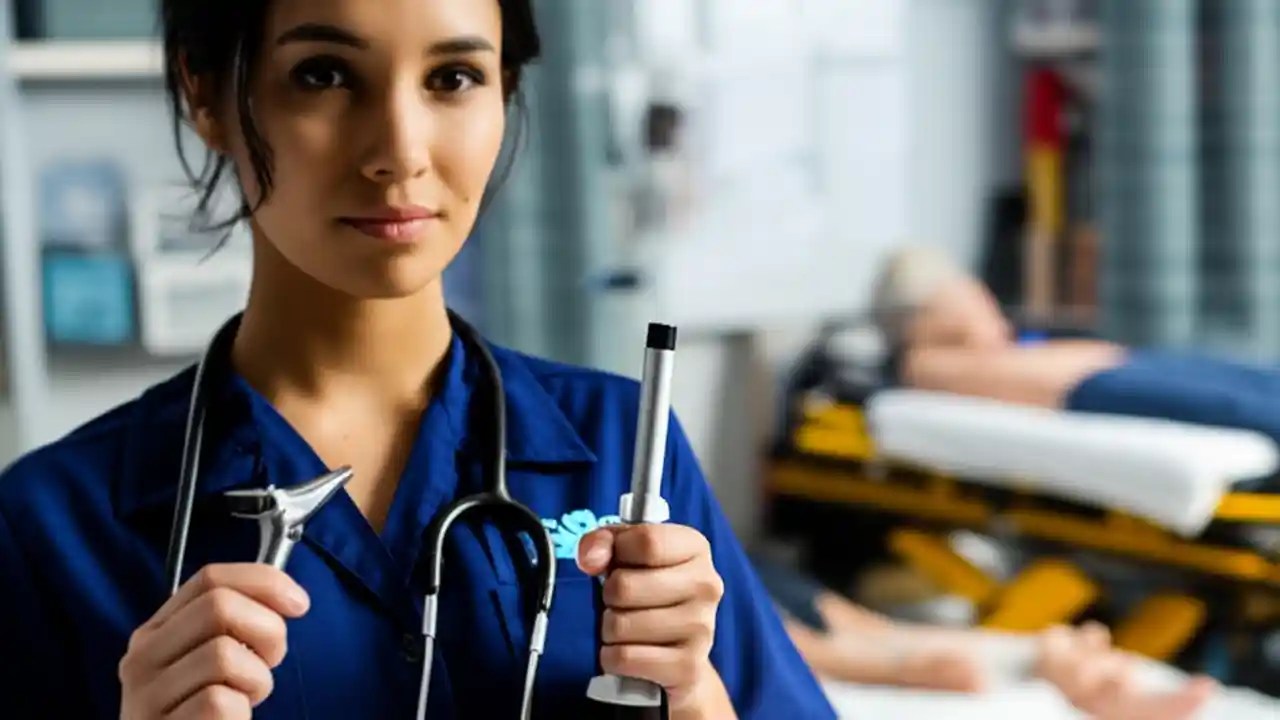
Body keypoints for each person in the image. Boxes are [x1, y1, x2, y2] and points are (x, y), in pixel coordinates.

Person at [0, 1, 834, 718]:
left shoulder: (621, 443)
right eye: (324, 74)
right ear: (205, 93)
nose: (399, 151)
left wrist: (692, 697)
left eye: (454, 78)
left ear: (505, 90)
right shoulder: (53, 525)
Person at [872, 247, 1280, 448]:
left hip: (1134, 365)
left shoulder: (970, 347)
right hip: (1104, 385)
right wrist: (978, 335)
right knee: (1254, 409)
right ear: (929, 317)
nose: (987, 309)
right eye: (969, 298)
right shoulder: (924, 363)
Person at [751, 557, 1218, 720]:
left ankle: (1128, 703)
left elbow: (815, 651)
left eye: (1108, 674)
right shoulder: (1006, 666)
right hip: (821, 617)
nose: (1095, 637)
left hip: (803, 627)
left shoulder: (969, 678)